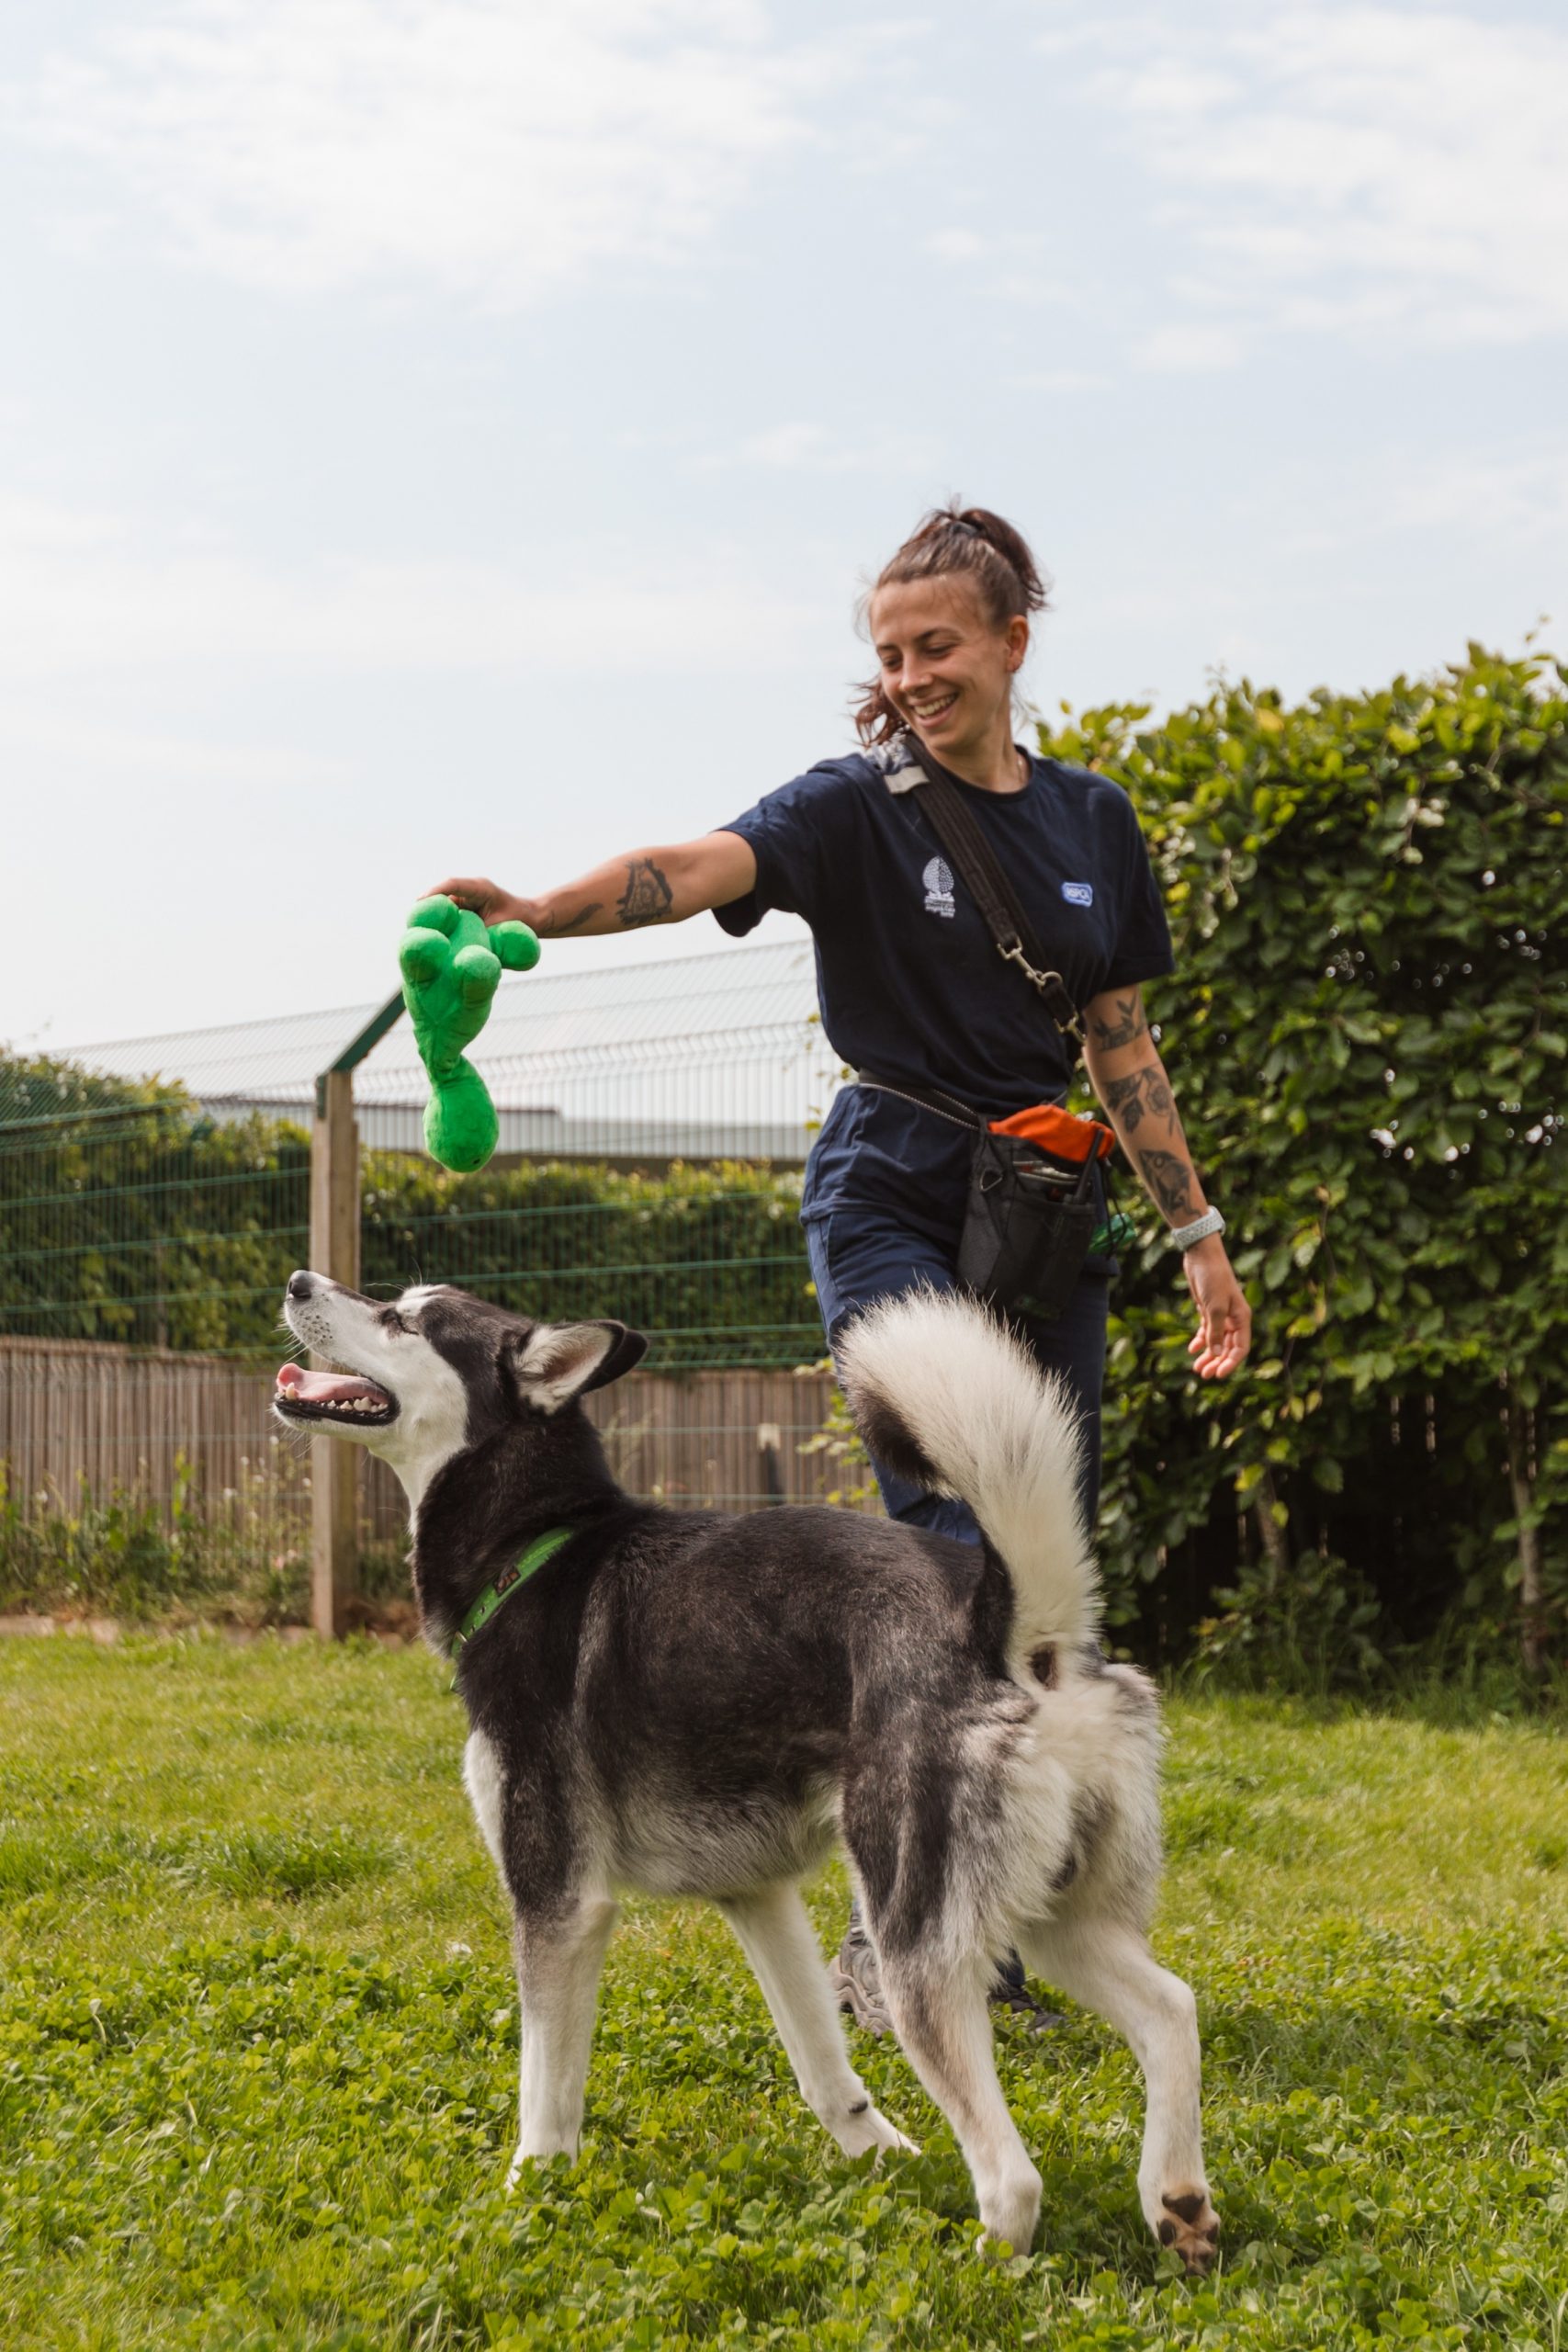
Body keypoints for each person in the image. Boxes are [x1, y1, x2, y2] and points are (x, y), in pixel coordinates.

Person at [430, 502, 1251, 2030]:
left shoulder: (1093, 826)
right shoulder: (854, 807)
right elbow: (695, 863)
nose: (913, 673)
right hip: (891, 1182)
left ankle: (1005, 1901)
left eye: (938, 644)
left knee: (1037, 1548)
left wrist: (1197, 1235)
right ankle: (929, 1930)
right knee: (942, 1513)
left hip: (1044, 1201)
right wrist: (546, 910)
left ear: (1014, 641)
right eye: (889, 652)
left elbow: (1120, 1045)